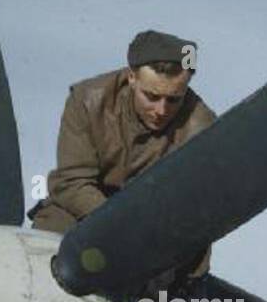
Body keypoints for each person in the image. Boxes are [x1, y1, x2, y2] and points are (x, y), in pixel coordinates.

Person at [29, 29, 215, 236]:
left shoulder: (202, 128)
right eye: (152, 96)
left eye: (173, 100)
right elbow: (73, 181)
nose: (161, 110)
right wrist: (120, 223)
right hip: (82, 207)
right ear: (132, 77)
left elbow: (194, 203)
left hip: (153, 222)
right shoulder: (87, 101)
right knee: (51, 237)